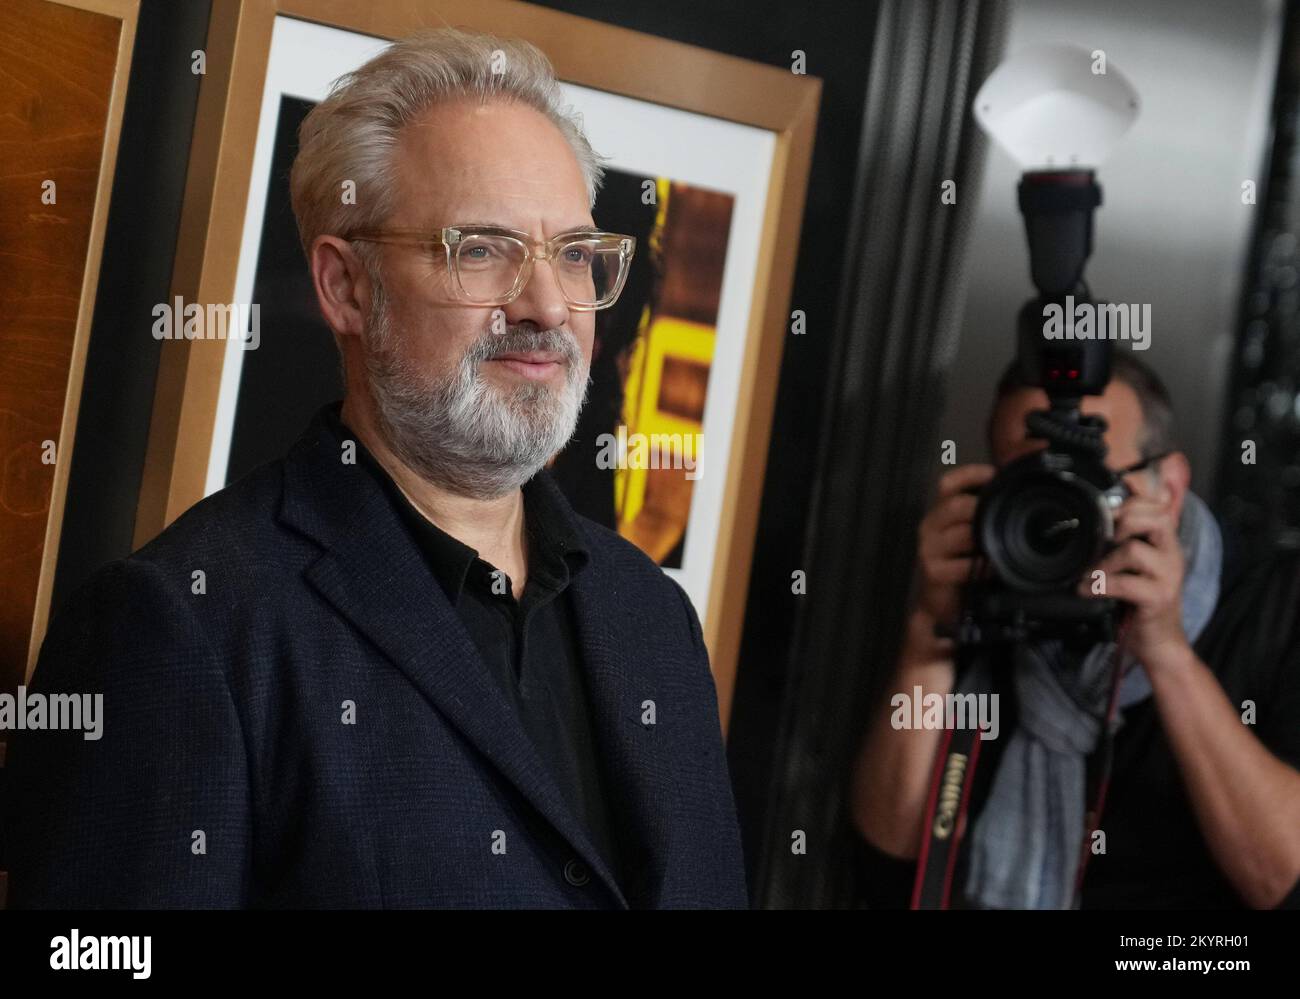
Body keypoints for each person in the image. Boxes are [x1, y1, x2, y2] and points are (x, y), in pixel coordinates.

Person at [5, 28, 747, 909]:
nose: (548, 305)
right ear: (345, 287)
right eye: (482, 249)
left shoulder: (651, 614)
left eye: (574, 254)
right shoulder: (185, 626)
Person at [850, 351, 1300, 908]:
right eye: (1032, 480)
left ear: (1169, 488)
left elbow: (1283, 878)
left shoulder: (1274, 604)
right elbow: (886, 863)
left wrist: (1167, 653)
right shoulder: (984, 590)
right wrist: (928, 634)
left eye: (1089, 480)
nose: (1059, 514)